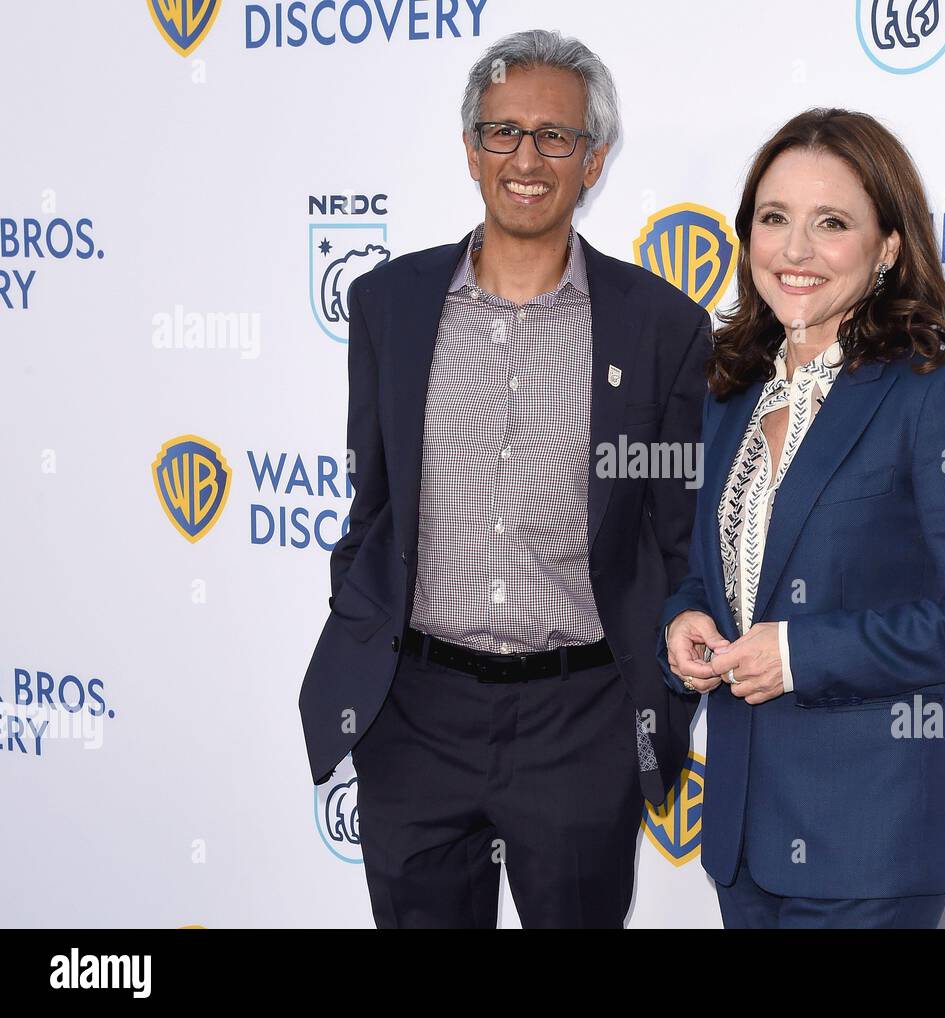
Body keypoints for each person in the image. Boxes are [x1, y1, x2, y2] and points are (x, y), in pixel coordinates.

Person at [299, 29, 711, 928]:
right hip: (412, 714)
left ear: (594, 159)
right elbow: (372, 507)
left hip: (583, 721)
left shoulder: (662, 327)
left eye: (555, 136)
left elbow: (678, 537)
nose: (527, 158)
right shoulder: (388, 304)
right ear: (470, 149)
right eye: (502, 132)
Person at [658, 108, 945, 929]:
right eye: (774, 219)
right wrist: (683, 616)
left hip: (873, 842)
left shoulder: (935, 394)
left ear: (888, 248)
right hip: (741, 838)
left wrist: (800, 654)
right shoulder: (728, 395)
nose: (794, 251)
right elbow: (714, 570)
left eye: (830, 223)